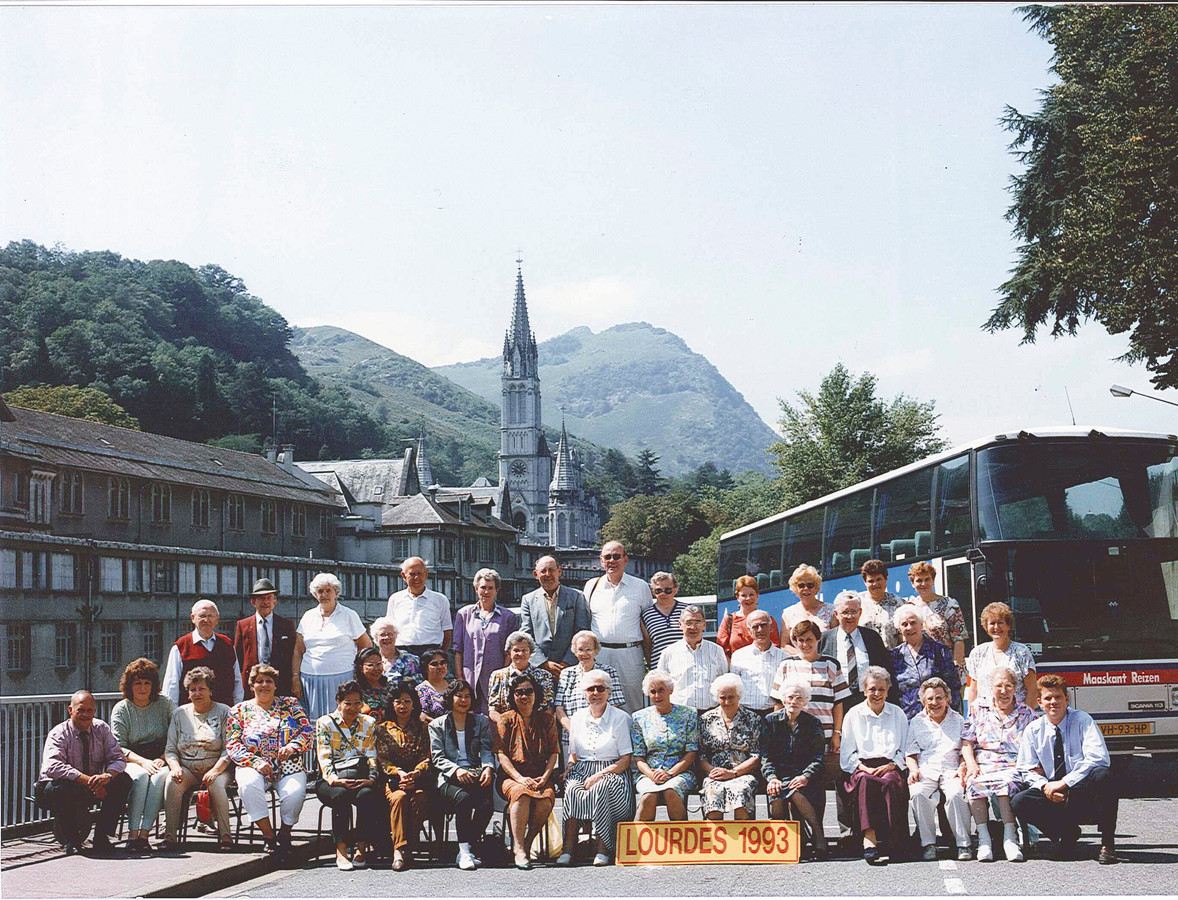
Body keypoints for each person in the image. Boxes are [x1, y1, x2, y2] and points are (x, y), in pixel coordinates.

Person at [1012, 673, 1120, 865]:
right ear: (1039, 702)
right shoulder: (1033, 730)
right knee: (1020, 801)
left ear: (1067, 699)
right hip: (1052, 792)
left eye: (1058, 697)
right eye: (1048, 698)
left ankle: (1107, 843)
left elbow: (1099, 757)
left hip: (1081, 790)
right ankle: (1066, 832)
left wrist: (1064, 782)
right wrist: (1045, 786)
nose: (1053, 702)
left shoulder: (1083, 720)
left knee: (1104, 775)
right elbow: (1025, 768)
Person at [226, 664, 313, 861]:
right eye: (259, 681)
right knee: (248, 785)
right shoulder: (239, 710)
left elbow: (307, 731)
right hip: (253, 766)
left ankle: (284, 833)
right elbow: (232, 744)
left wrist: (293, 746)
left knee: (295, 793)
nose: (264, 685)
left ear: (275, 685)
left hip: (288, 766)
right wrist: (255, 762)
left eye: (269, 681)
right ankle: (269, 836)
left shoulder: (290, 704)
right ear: (252, 685)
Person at [35, 690, 131, 856]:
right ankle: (72, 840)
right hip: (58, 788)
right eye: (80, 710)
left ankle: (101, 837)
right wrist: (90, 781)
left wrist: (106, 777)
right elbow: (53, 767)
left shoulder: (101, 729)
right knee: (59, 787)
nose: (85, 715)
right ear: (70, 710)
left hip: (91, 785)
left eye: (89, 710)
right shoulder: (58, 733)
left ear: (94, 711)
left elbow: (119, 758)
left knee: (123, 780)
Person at [559, 669, 635, 867]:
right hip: (583, 768)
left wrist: (600, 774)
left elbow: (625, 759)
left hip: (613, 770)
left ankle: (604, 849)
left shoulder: (621, 718)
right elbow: (574, 754)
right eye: (590, 689)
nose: (595, 693)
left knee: (601, 789)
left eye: (600, 689)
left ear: (608, 692)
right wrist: (569, 767)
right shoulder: (576, 717)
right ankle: (568, 849)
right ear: (585, 693)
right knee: (572, 789)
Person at [961, 666, 1037, 862]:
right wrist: (970, 764)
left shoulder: (1026, 713)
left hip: (1014, 763)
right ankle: (984, 839)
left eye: (1008, 685)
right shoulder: (979, 708)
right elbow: (967, 741)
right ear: (991, 687)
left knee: (1005, 784)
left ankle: (1009, 838)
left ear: (1015, 687)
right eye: (999, 686)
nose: (1003, 691)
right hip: (984, 762)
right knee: (974, 782)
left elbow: (1034, 748)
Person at [839, 666, 910, 865]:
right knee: (865, 782)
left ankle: (894, 841)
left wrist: (892, 765)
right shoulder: (853, 714)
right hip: (862, 767)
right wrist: (863, 768)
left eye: (881, 689)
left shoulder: (897, 714)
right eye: (872, 689)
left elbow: (905, 748)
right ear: (864, 690)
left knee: (891, 783)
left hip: (890, 766)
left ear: (887, 691)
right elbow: (847, 753)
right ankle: (868, 839)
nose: (877, 694)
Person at [315, 680, 382, 871]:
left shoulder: (368, 722)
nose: (353, 708)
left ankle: (361, 847)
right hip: (332, 778)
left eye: (357, 703)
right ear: (339, 702)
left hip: (360, 774)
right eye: (348, 703)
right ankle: (341, 850)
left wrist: (372, 777)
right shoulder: (325, 722)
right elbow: (324, 756)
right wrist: (335, 780)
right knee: (340, 796)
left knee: (367, 794)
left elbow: (371, 755)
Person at [495, 671, 560, 869]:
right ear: (513, 696)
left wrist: (545, 777)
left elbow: (553, 754)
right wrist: (520, 778)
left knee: (545, 798)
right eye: (519, 692)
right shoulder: (505, 720)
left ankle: (528, 842)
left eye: (528, 691)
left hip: (540, 775)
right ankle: (518, 847)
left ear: (536, 694)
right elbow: (501, 754)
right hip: (511, 776)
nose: (524, 696)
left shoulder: (547, 720)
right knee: (521, 794)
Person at [428, 679, 495, 870]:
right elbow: (437, 757)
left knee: (486, 806)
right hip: (449, 777)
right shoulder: (437, 725)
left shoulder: (481, 721)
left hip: (474, 772)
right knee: (463, 799)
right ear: (450, 698)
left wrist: (488, 767)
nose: (463, 700)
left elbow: (486, 750)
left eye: (467, 696)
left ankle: (467, 847)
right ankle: (465, 852)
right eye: (459, 696)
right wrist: (456, 770)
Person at [163, 666, 232, 850]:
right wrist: (175, 767)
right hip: (188, 768)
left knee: (215, 784)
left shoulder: (224, 712)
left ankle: (226, 836)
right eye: (193, 690)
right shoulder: (179, 714)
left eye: (201, 689)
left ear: (211, 690)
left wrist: (216, 770)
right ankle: (170, 836)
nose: (197, 693)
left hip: (217, 768)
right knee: (172, 781)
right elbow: (170, 749)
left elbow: (230, 749)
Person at [110, 658, 175, 851]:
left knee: (157, 779)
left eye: (147, 683)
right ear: (129, 685)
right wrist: (142, 762)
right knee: (140, 778)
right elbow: (118, 746)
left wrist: (162, 758)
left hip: (161, 757)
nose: (142, 688)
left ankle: (144, 835)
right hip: (132, 758)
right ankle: (132, 834)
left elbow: (175, 736)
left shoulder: (165, 704)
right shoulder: (122, 709)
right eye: (138, 683)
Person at [905, 677, 971, 862]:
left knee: (956, 794)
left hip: (952, 769)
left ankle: (963, 844)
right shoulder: (917, 721)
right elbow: (910, 752)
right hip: (926, 768)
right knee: (917, 793)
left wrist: (963, 765)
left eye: (939, 698)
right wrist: (913, 770)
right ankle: (928, 844)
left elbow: (964, 749)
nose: (935, 703)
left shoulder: (958, 720)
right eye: (930, 699)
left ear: (948, 699)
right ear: (924, 701)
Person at [292, 572, 372, 721]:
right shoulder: (308, 616)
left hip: (342, 679)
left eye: (328, 590)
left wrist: (358, 675)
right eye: (320, 591)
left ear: (336, 592)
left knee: (342, 721)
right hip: (310, 680)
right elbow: (298, 650)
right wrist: (295, 678)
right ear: (315, 594)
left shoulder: (349, 615)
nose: (324, 595)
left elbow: (366, 646)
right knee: (313, 723)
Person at [761, 680, 828, 859]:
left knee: (796, 791)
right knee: (776, 793)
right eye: (790, 697)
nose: (794, 702)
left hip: (804, 774)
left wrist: (806, 776)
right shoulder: (770, 721)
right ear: (783, 700)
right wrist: (772, 777)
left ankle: (818, 837)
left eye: (799, 698)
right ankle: (788, 841)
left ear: (805, 701)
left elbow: (818, 757)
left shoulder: (813, 723)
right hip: (779, 774)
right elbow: (765, 757)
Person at [585, 541, 652, 713]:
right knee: (599, 702)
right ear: (601, 561)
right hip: (600, 654)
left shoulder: (640, 587)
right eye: (607, 557)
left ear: (625, 560)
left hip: (630, 654)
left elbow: (647, 625)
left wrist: (650, 659)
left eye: (616, 556)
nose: (612, 561)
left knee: (634, 703)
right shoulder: (592, 586)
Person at [375, 680, 433, 871]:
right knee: (399, 798)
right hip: (393, 780)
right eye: (398, 701)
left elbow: (427, 757)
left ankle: (410, 847)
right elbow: (382, 760)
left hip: (417, 778)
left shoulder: (422, 728)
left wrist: (415, 773)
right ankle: (399, 851)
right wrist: (399, 773)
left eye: (407, 701)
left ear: (414, 704)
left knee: (420, 798)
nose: (403, 706)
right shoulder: (383, 729)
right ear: (392, 704)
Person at [630, 670, 699, 823]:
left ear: (670, 690)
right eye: (652, 692)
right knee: (648, 795)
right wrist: (651, 774)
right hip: (649, 773)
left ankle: (682, 841)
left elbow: (691, 752)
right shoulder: (639, 717)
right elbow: (639, 757)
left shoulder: (688, 714)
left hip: (681, 771)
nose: (657, 696)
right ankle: (642, 843)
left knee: (670, 791)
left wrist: (669, 774)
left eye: (661, 690)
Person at [771, 620, 850, 750]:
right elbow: (779, 704)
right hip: (793, 734)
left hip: (825, 733)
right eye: (801, 640)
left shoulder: (831, 664)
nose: (805, 644)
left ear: (818, 639)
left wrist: (837, 734)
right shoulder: (786, 665)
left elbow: (838, 703)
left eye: (809, 639)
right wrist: (780, 732)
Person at [453, 567, 519, 713]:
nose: (486, 592)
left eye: (491, 588)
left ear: (497, 590)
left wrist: (504, 674)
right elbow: (458, 649)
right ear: (476, 589)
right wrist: (460, 677)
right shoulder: (464, 614)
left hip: (496, 677)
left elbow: (510, 651)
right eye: (483, 587)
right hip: (470, 677)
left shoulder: (508, 617)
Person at [698, 674, 762, 821]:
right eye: (722, 697)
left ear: (739, 696)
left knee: (742, 791)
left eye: (731, 697)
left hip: (742, 773)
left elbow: (756, 755)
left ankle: (743, 840)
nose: (727, 702)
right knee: (713, 791)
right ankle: (714, 840)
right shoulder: (706, 720)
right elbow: (700, 756)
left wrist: (733, 773)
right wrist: (714, 772)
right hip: (714, 774)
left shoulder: (753, 719)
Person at [554, 630, 627, 757]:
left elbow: (614, 704)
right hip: (572, 736)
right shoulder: (566, 673)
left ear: (596, 650)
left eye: (588, 649)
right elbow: (559, 708)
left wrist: (593, 729)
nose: (584, 654)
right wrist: (574, 731)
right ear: (575, 651)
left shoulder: (608, 671)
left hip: (603, 735)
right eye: (580, 650)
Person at [818, 591, 898, 708]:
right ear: (836, 614)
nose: (849, 617)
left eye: (854, 612)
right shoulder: (824, 640)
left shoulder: (872, 638)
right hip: (838, 705)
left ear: (860, 613)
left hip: (869, 702)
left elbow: (887, 673)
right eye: (845, 612)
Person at [519, 555, 591, 680]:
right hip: (539, 669)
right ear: (536, 574)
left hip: (571, 668)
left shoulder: (576, 597)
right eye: (543, 571)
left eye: (551, 570)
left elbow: (581, 633)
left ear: (559, 571)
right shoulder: (528, 600)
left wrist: (566, 663)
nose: (547, 574)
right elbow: (526, 635)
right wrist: (544, 663)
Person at [162, 599, 243, 707]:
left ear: (217, 619)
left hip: (224, 713)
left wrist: (237, 710)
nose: (206, 620)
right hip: (192, 715)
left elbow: (237, 681)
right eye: (202, 616)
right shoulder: (181, 647)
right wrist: (173, 714)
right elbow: (171, 685)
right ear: (193, 618)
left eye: (210, 616)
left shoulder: (227, 645)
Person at [889, 605, 961, 717]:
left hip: (937, 719)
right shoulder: (894, 656)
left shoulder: (940, 651)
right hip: (906, 721)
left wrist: (952, 718)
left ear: (921, 624)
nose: (909, 628)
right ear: (899, 629)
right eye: (904, 624)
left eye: (913, 623)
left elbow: (954, 688)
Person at [966, 602, 1038, 710]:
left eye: (1000, 623)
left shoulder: (1021, 652)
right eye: (992, 623)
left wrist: (1026, 717)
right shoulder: (977, 653)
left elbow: (1032, 690)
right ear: (986, 626)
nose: (996, 627)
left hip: (1017, 718)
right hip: (985, 718)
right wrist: (972, 716)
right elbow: (973, 690)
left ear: (1008, 625)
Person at [655, 605, 729, 711]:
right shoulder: (669, 653)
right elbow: (660, 685)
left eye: (698, 622)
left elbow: (724, 682)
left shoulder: (717, 651)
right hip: (679, 713)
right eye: (688, 623)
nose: (693, 627)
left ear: (704, 625)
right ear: (680, 625)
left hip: (711, 712)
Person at [234, 578, 297, 699]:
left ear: (275, 602)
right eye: (261, 598)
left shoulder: (286, 625)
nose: (265, 602)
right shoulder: (243, 625)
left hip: (280, 685)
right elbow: (238, 657)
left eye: (269, 598)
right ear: (253, 602)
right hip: (252, 685)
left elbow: (292, 656)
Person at [907, 561, 968, 680]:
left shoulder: (949, 605)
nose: (923, 584)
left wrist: (955, 667)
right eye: (919, 580)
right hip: (921, 671)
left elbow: (959, 639)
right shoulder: (908, 608)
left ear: (933, 581)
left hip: (948, 668)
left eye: (927, 579)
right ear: (912, 583)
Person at [387, 556, 453, 657]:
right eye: (412, 574)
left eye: (420, 574)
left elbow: (447, 631)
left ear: (426, 574)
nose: (416, 578)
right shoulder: (395, 599)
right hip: (402, 653)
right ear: (404, 576)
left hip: (431, 653)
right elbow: (389, 629)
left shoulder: (440, 600)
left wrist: (440, 655)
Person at [486, 631, 555, 726]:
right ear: (509, 653)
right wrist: (506, 724)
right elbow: (493, 710)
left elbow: (549, 708)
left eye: (524, 650)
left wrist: (530, 726)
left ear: (530, 653)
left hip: (537, 729)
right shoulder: (497, 676)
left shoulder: (544, 676)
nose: (520, 654)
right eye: (516, 650)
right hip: (507, 729)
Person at [730, 610, 790, 717]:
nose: (760, 630)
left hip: (774, 714)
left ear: (771, 628)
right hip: (745, 714)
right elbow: (734, 689)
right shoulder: (738, 656)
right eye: (755, 627)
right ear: (749, 631)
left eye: (763, 625)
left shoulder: (784, 658)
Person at [717, 575, 780, 657]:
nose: (748, 598)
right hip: (736, 667)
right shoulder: (729, 620)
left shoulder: (767, 619)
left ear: (757, 595)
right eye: (744, 595)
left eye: (751, 594)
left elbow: (775, 647)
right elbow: (721, 649)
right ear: (737, 597)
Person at [781, 564, 835, 650]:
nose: (806, 588)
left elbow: (836, 642)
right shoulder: (788, 613)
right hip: (799, 662)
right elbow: (784, 645)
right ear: (795, 588)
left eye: (810, 585)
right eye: (801, 585)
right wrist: (803, 656)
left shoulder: (831, 611)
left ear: (816, 588)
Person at [640, 571, 687, 669]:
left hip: (685, 664)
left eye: (667, 590)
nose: (663, 594)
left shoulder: (687, 611)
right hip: (659, 667)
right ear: (653, 592)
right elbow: (647, 645)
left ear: (675, 589)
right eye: (658, 591)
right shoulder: (646, 615)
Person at [857, 559, 903, 650]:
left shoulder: (899, 604)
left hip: (891, 659)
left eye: (879, 579)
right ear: (865, 583)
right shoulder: (857, 603)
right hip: (865, 659)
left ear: (886, 579)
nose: (875, 584)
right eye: (870, 581)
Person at [369, 617, 422, 683]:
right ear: (375, 638)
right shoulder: (369, 661)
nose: (387, 637)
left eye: (390, 634)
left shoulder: (410, 660)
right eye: (382, 635)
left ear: (396, 635)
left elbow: (416, 687)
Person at [354, 647, 393, 723]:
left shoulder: (390, 687)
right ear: (361, 668)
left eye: (379, 664)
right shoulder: (355, 690)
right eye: (370, 665)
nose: (376, 669)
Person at [417, 647, 453, 723]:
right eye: (434, 664)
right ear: (425, 668)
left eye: (442, 662)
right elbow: (422, 716)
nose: (440, 667)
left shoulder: (454, 684)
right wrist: (442, 726)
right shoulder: (421, 689)